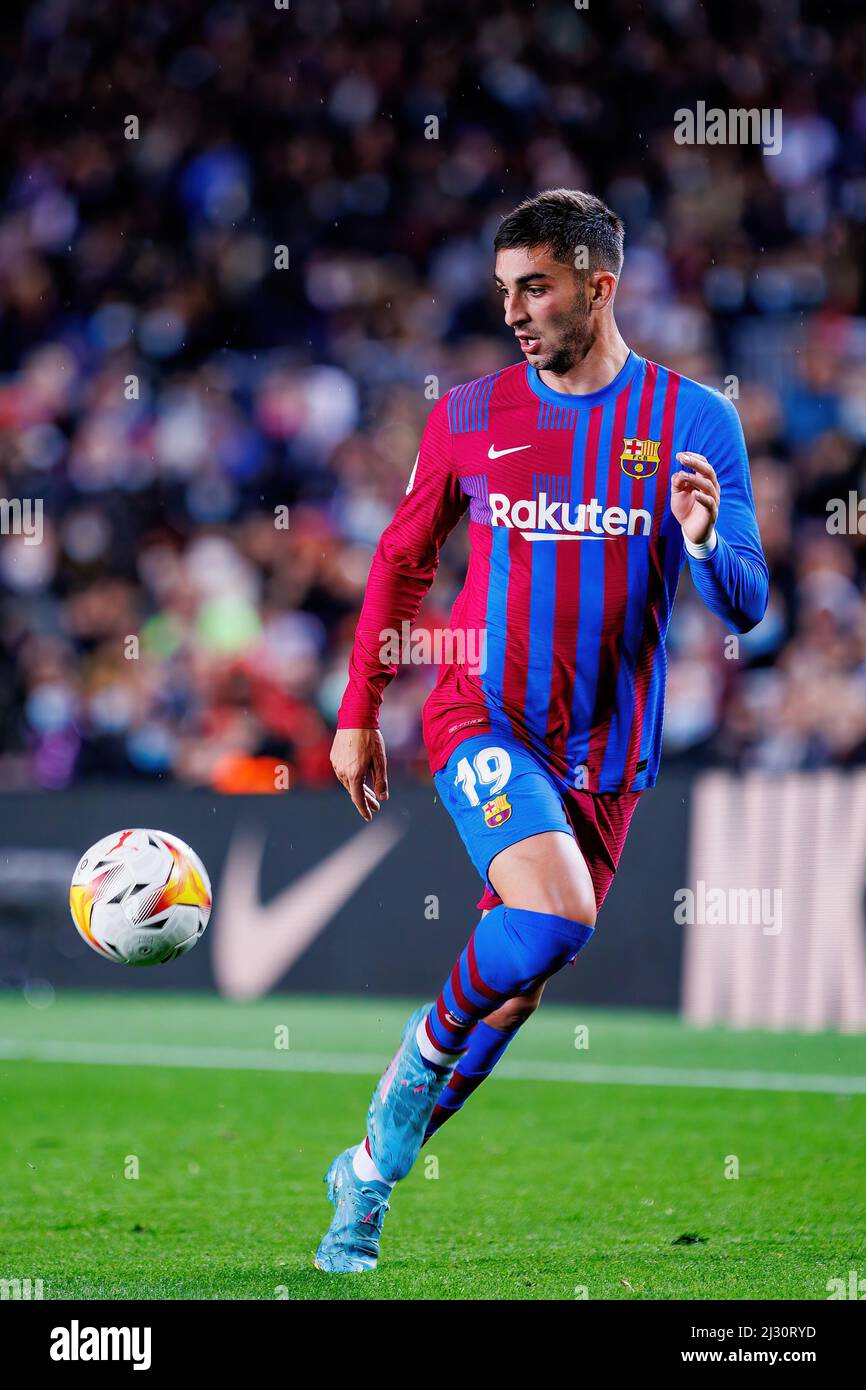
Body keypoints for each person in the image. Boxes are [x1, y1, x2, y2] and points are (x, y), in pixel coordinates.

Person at [314, 188, 769, 1272]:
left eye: (535, 286)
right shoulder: (470, 413)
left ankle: (366, 1181)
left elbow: (746, 601)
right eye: (504, 289)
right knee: (554, 918)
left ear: (596, 285)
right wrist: (356, 710)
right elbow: (401, 561)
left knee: (516, 989)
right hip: (482, 710)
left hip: (605, 753)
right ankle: (412, 1064)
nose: (513, 310)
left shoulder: (691, 422)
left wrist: (702, 536)